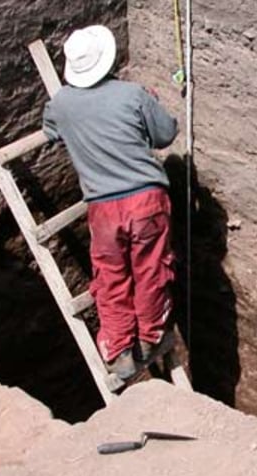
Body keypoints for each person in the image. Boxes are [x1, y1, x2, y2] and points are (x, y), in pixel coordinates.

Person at [42, 24, 179, 380]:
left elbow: (51, 133)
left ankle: (119, 352)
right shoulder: (133, 94)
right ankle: (150, 338)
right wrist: (150, 102)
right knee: (150, 271)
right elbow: (165, 134)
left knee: (111, 277)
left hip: (102, 208)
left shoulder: (60, 104)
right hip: (146, 200)